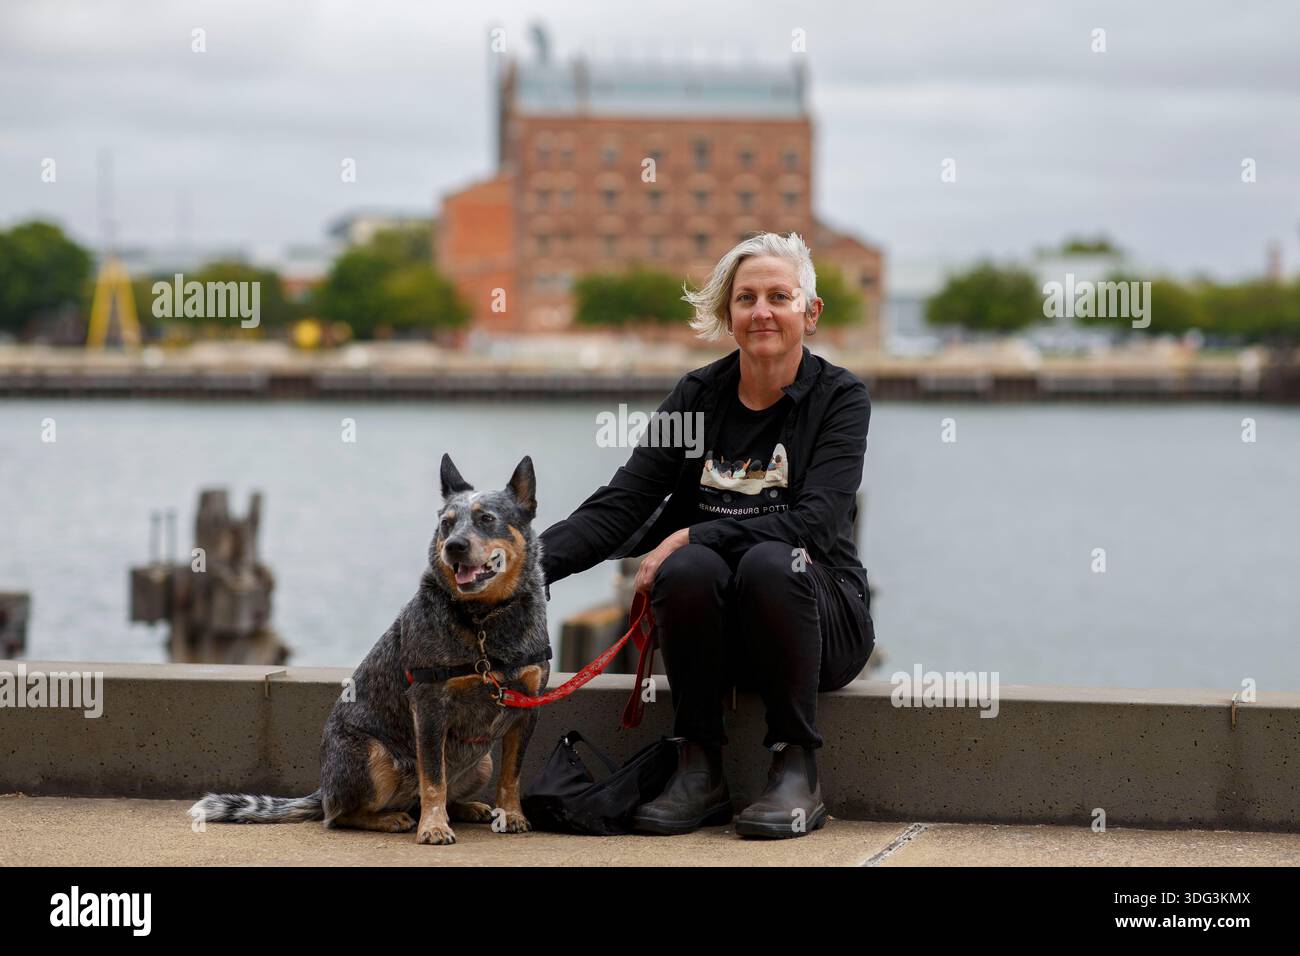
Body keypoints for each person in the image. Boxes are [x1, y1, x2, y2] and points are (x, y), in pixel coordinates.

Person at [539, 232, 876, 839]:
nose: (763, 311)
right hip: (723, 640)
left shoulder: (839, 399)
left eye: (780, 295)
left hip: (822, 628)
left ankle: (797, 765)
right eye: (746, 298)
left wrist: (692, 533)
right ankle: (699, 767)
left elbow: (817, 522)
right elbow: (622, 504)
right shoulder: (697, 399)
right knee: (688, 570)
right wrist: (524, 567)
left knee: (776, 561)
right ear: (729, 314)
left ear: (811, 311)